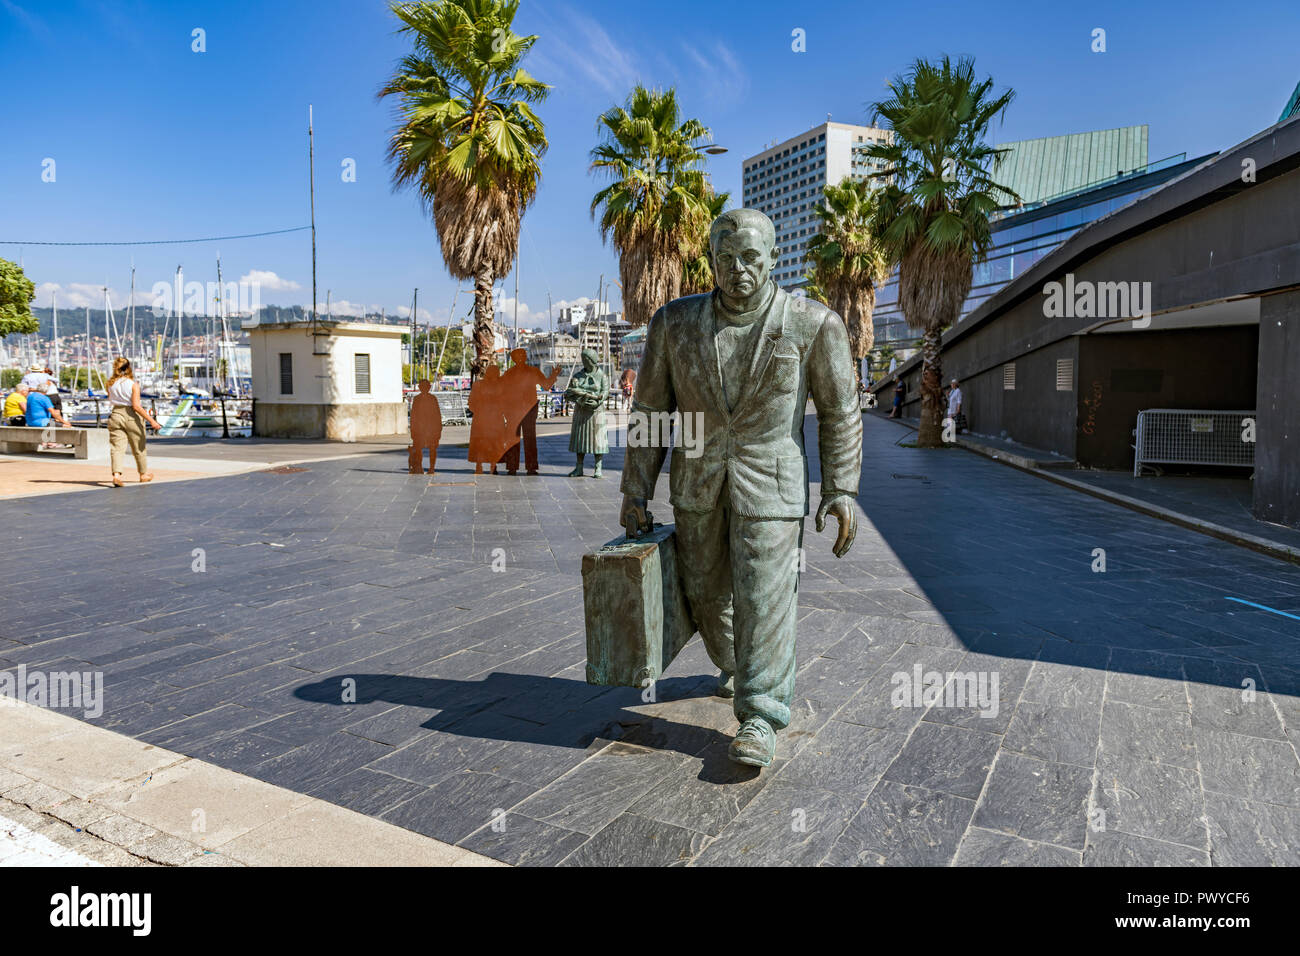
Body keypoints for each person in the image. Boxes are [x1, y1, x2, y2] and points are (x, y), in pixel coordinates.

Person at [620, 208, 861, 768]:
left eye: (751, 257)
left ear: (773, 258)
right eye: (726, 258)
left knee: (764, 595)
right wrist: (636, 489)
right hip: (698, 481)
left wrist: (841, 488)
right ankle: (736, 663)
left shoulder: (812, 324)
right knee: (706, 594)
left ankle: (762, 711)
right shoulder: (672, 324)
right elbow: (651, 409)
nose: (738, 270)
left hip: (772, 482)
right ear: (710, 261)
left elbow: (840, 409)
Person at [498, 349, 559, 476]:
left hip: (519, 410)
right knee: (527, 439)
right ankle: (529, 467)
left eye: (523, 355)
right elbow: (547, 385)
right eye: (521, 355)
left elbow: (501, 392)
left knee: (515, 439)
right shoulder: (531, 372)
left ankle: (513, 467)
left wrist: (554, 375)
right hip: (525, 410)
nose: (522, 357)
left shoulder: (510, 373)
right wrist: (553, 375)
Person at [105, 357, 164, 487]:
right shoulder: (133, 384)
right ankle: (143, 475)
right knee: (139, 447)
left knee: (117, 448)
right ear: (129, 368)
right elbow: (136, 406)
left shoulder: (110, 384)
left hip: (115, 414)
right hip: (131, 416)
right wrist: (152, 421)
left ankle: (116, 475)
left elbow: (111, 400)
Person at [565, 348, 609, 477]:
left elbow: (605, 392)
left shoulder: (602, 376)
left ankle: (598, 468)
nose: (584, 362)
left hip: (596, 412)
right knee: (580, 440)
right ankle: (579, 468)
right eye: (583, 359)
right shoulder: (578, 376)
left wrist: (597, 401)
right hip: (581, 411)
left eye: (587, 359)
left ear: (593, 360)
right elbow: (570, 391)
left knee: (598, 441)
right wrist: (578, 398)